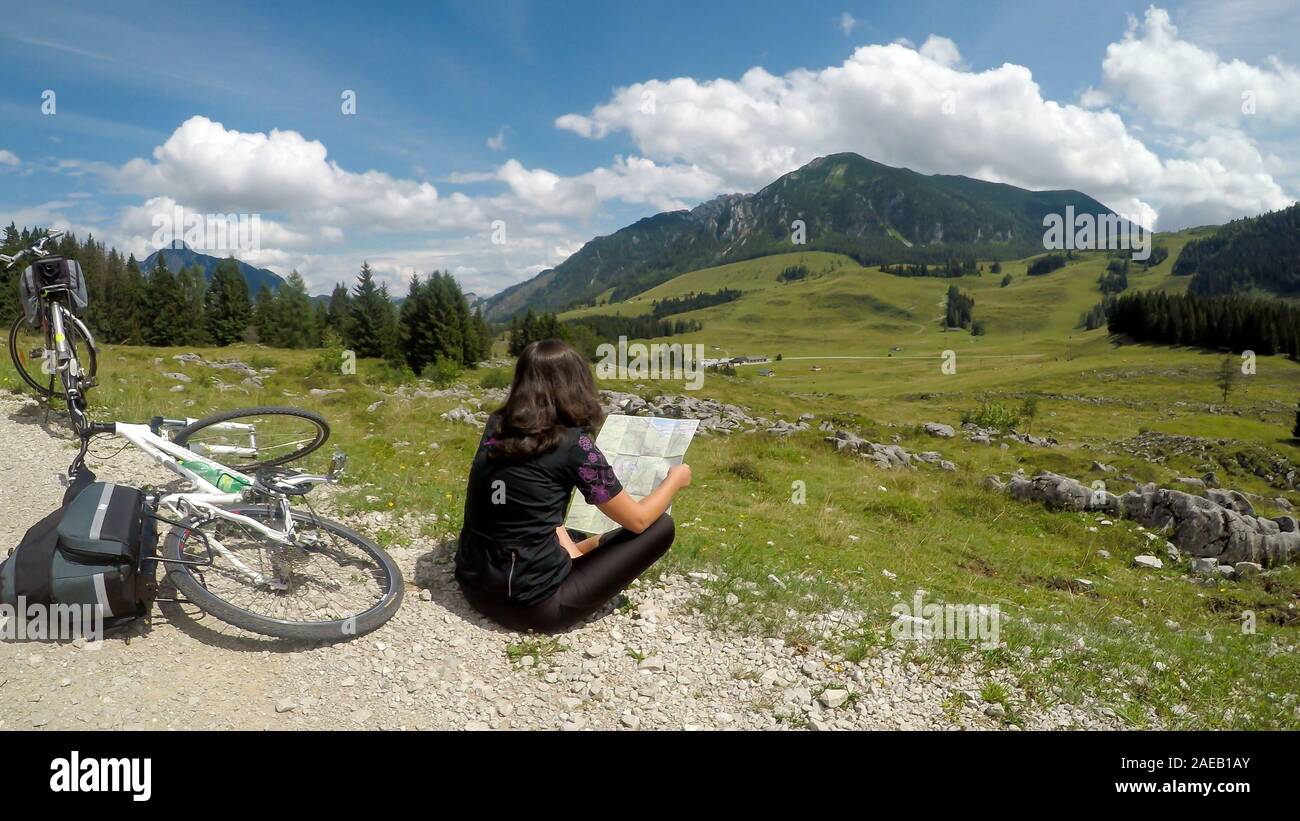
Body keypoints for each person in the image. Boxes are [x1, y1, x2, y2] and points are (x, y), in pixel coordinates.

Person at [455, 339, 691, 632]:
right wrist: (675, 480)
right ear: (576, 384)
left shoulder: (498, 424)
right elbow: (639, 520)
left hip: (473, 585)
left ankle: (581, 548)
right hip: (533, 608)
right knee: (660, 526)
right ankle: (586, 549)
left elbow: (531, 504)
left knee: (535, 508)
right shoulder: (573, 443)